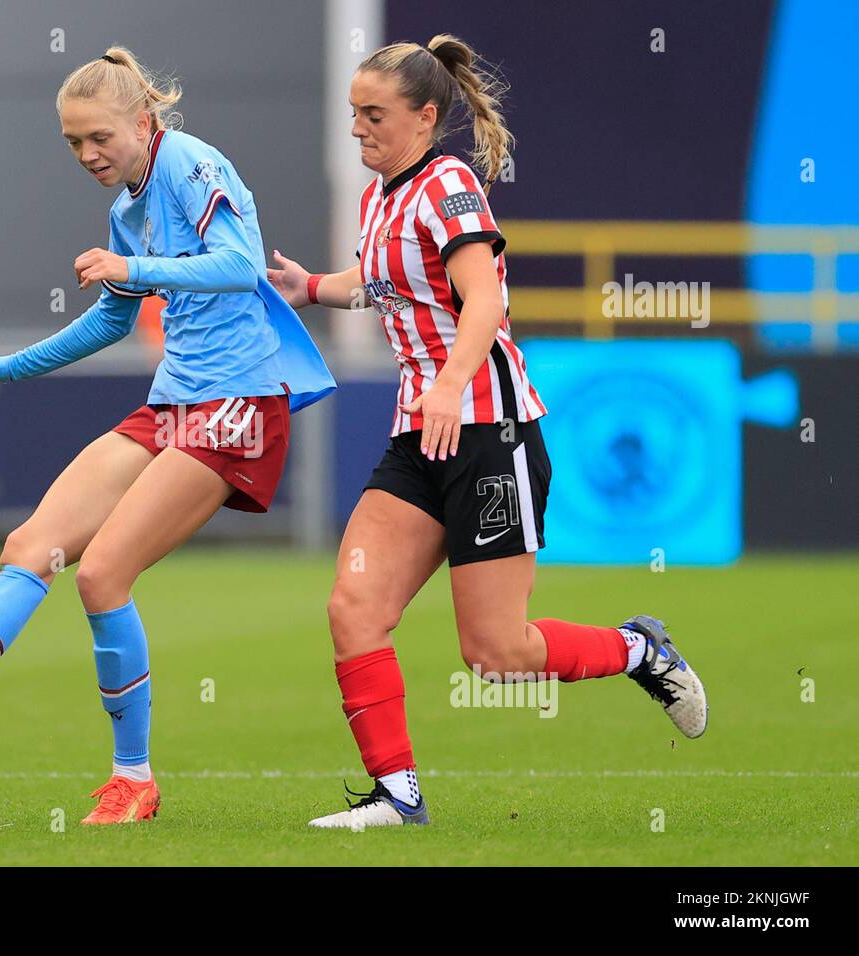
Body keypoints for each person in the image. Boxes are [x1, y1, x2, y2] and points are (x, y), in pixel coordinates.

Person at [0, 47, 334, 825]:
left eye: (98, 137)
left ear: (143, 121)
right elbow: (113, 315)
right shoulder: (128, 206)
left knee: (101, 577)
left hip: (237, 403)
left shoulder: (192, 164)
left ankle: (134, 779)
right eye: (72, 143)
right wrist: (10, 368)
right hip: (173, 403)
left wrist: (134, 264)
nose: (87, 155)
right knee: (31, 548)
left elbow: (238, 266)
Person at [267, 35, 707, 830]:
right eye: (353, 114)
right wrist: (313, 288)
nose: (358, 129)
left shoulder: (450, 184)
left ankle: (641, 649)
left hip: (488, 434)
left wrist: (445, 383)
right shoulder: (379, 197)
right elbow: (385, 281)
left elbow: (485, 303)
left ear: (426, 115)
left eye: (374, 115)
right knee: (353, 610)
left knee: (496, 655)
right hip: (421, 437)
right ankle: (398, 797)